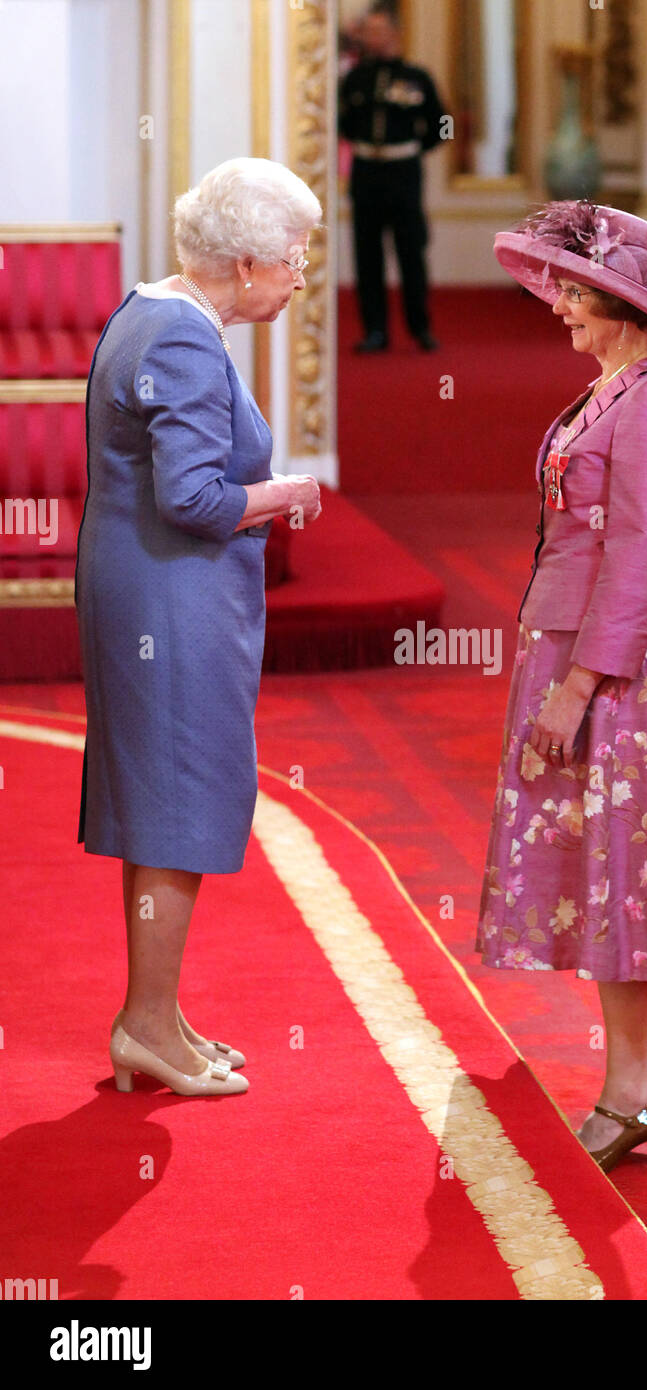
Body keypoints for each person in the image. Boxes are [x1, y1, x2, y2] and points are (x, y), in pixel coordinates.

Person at [477, 202, 647, 1174]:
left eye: (571, 292)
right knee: (595, 877)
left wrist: (577, 686)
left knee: (626, 878)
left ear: (619, 299)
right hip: (576, 653)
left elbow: (640, 554)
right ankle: (632, 1082)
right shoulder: (610, 389)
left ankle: (634, 1087)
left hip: (613, 671)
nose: (557, 309)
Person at [75, 157, 323, 1097]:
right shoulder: (182, 338)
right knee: (179, 807)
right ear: (250, 263)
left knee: (163, 802)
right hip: (171, 602)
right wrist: (284, 495)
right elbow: (191, 498)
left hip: (150, 591)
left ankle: (157, 1016)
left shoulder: (154, 308)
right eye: (295, 258)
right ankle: (145, 1025)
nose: (301, 276)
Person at [337, 5, 446, 353]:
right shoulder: (354, 79)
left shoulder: (417, 77)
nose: (370, 37)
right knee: (367, 255)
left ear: (394, 33)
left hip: (403, 172)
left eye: (377, 30)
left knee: (410, 252)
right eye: (367, 30)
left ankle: (420, 327)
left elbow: (441, 126)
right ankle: (375, 331)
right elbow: (343, 122)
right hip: (367, 170)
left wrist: (412, 148)